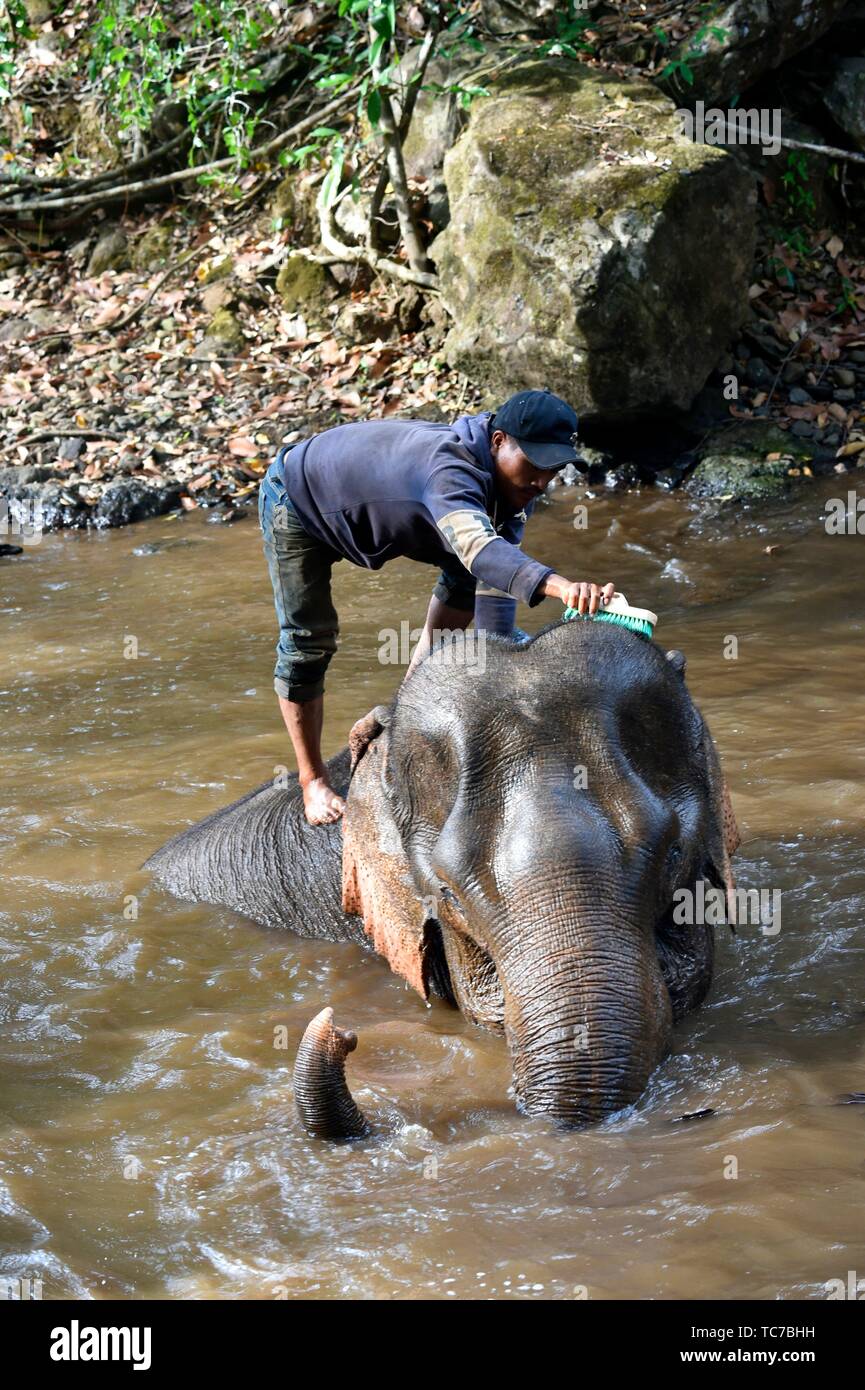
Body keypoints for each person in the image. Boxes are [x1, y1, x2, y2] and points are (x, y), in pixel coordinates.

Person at [258, 387, 614, 825]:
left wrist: (502, 658)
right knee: (309, 639)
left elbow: (491, 594)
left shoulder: (515, 491)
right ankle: (312, 781)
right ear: (499, 441)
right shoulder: (449, 469)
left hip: (391, 519)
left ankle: (409, 703)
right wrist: (560, 586)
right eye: (535, 465)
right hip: (301, 500)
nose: (542, 481)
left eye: (554, 469)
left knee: (466, 581)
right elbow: (482, 550)